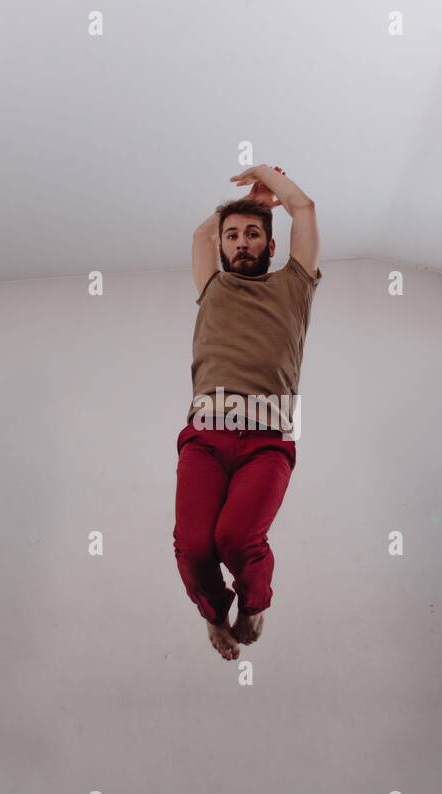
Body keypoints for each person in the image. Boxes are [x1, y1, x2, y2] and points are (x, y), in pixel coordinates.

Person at [173, 164, 322, 660]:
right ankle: (215, 614)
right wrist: (246, 204)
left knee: (236, 537)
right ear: (222, 245)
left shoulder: (294, 288)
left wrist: (268, 183)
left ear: (271, 247)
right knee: (195, 547)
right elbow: (200, 232)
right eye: (232, 234)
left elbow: (304, 209)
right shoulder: (213, 287)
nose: (241, 241)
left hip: (267, 441)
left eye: (253, 234)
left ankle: (253, 604)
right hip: (206, 436)